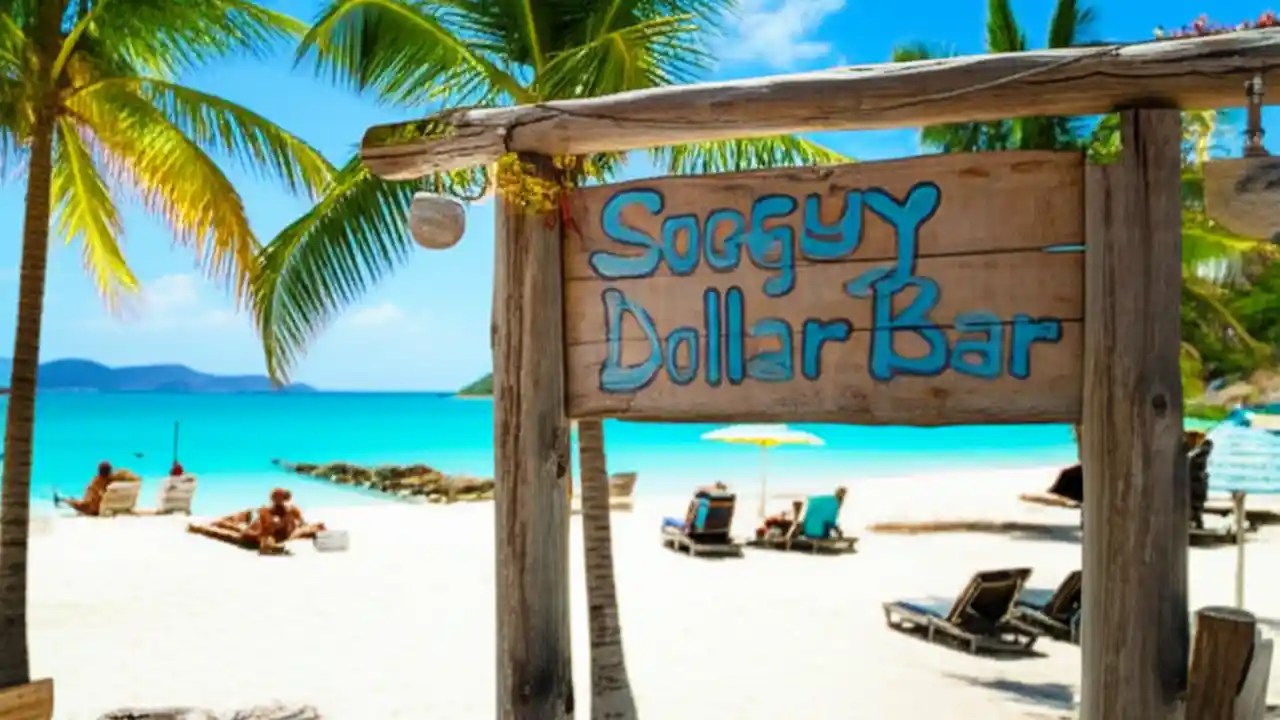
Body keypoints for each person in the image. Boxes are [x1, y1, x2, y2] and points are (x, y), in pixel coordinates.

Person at [212, 488, 326, 555]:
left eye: (283, 498)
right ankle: (219, 523)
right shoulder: (267, 512)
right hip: (258, 533)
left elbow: (301, 524)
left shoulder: (291, 510)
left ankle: (219, 524)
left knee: (233, 531)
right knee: (232, 530)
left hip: (275, 533)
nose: (281, 501)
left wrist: (307, 527)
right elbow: (264, 534)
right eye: (279, 498)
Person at [53, 461, 117, 516]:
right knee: (80, 505)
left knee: (80, 505)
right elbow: (90, 497)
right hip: (91, 506)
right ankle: (61, 499)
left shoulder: (107, 479)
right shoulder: (97, 482)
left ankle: (62, 499)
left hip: (94, 505)